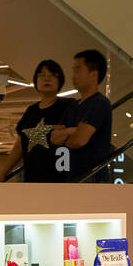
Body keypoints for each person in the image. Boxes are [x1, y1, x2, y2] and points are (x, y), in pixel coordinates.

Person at [1, 59, 75, 182]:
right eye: (42, 75)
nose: (47, 79)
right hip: (33, 177)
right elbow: (19, 146)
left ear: (60, 80)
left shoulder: (68, 106)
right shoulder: (31, 111)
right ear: (36, 80)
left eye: (52, 75)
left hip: (61, 177)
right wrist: (2, 174)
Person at [51, 49, 113, 183]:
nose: (73, 76)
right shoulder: (73, 106)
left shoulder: (99, 103)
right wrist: (72, 130)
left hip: (93, 179)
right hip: (73, 177)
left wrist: (67, 134)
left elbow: (79, 140)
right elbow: (54, 137)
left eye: (78, 70)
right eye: (73, 70)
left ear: (93, 75)